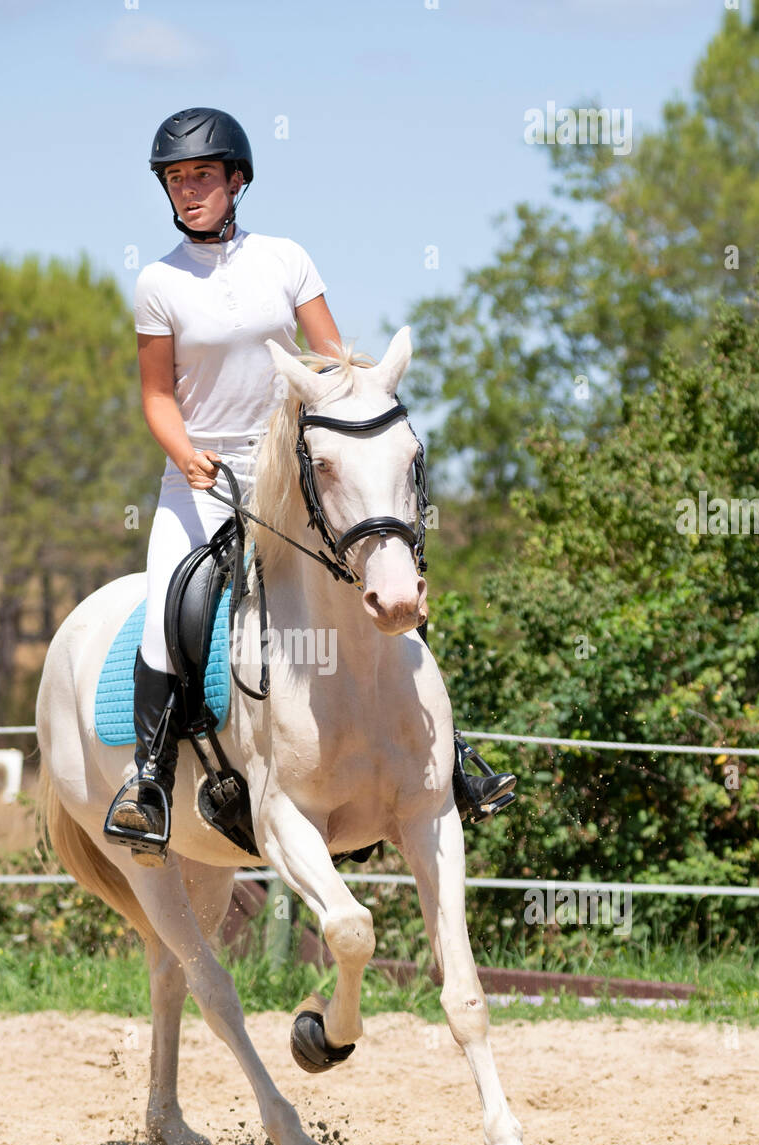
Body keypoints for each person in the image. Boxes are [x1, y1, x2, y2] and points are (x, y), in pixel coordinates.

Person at [104, 107, 515, 866]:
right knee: (170, 607)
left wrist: (359, 407)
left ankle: (451, 759)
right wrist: (184, 451)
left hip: (289, 471)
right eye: (175, 179)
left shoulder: (286, 258)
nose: (188, 190)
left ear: (236, 180)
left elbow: (331, 358)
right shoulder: (158, 281)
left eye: (201, 175)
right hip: (200, 478)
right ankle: (150, 778)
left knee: (380, 581)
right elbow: (157, 396)